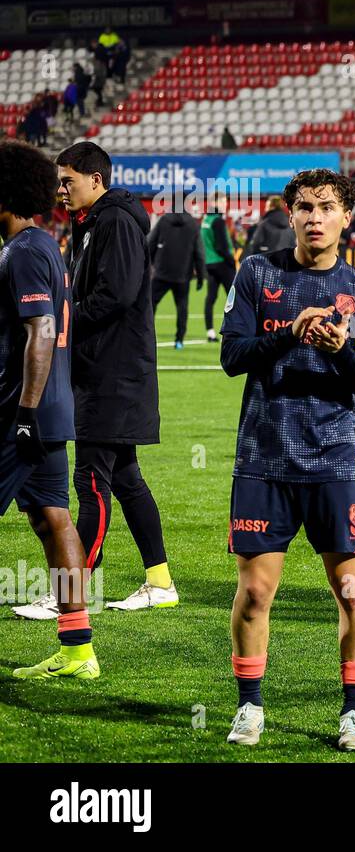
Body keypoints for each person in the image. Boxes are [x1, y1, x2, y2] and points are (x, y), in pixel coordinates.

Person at [220, 167, 355, 751]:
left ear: (347, 216)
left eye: (326, 207)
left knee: (349, 590)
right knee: (256, 592)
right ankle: (249, 706)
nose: (314, 217)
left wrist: (341, 351)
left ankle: (354, 712)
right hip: (263, 457)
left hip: (336, 461)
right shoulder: (257, 272)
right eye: (304, 207)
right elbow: (233, 356)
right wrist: (289, 335)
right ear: (288, 214)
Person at [20, 142, 175, 617]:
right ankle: (160, 581)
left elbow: (120, 292)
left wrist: (64, 322)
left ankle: (73, 590)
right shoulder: (91, 222)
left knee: (91, 480)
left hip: (113, 373)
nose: (60, 190)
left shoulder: (114, 221)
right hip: (105, 368)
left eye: (67, 181)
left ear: (95, 179)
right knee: (126, 477)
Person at [0, 140, 100, 680]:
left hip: (20, 413)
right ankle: (78, 648)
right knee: (51, 518)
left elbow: (40, 330)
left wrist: (22, 413)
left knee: (52, 519)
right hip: (49, 410)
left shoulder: (23, 252)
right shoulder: (40, 246)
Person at [146, 200, 207, 350]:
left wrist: (151, 265)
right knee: (182, 307)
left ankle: (147, 338)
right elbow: (199, 253)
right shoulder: (193, 224)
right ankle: (179, 340)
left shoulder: (164, 220)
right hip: (182, 275)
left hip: (161, 273)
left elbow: (150, 244)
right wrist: (200, 276)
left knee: (150, 305)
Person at [201, 193, 237, 343]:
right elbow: (221, 247)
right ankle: (233, 332)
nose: (225, 205)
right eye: (223, 201)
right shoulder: (218, 221)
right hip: (222, 264)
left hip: (209, 264)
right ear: (215, 202)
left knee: (211, 298)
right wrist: (232, 262)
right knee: (236, 299)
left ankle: (210, 332)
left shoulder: (206, 219)